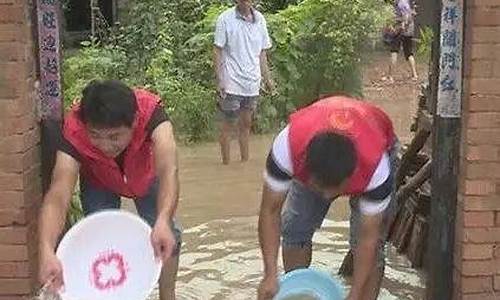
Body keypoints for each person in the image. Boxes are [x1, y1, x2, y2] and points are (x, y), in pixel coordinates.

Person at [38, 80, 182, 300]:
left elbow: (168, 170)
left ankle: (167, 294)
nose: (105, 146)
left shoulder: (151, 112)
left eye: (114, 137)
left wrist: (163, 219)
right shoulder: (74, 130)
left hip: (145, 175)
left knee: (167, 234)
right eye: (95, 135)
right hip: (99, 180)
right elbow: (58, 195)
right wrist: (46, 249)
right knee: (98, 240)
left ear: (134, 121)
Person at [257, 95, 399, 300]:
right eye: (320, 189)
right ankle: (297, 290)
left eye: (334, 191)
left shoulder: (376, 170)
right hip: (313, 144)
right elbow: (270, 211)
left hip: (375, 140)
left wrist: (355, 294)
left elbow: (367, 238)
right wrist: (269, 274)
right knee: (295, 228)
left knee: (372, 246)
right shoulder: (286, 147)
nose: (327, 197)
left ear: (351, 176)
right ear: (305, 168)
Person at [213, 0, 275, 165]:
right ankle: (226, 165)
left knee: (246, 124)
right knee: (229, 123)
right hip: (231, 80)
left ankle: (244, 163)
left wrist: (267, 79)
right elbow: (218, 50)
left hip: (252, 83)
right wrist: (220, 80)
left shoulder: (260, 19)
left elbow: (262, 53)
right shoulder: (225, 19)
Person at [387, 0, 418, 82]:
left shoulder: (401, 3)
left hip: (401, 30)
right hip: (409, 30)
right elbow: (412, 14)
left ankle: (390, 77)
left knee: (394, 51)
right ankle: (414, 74)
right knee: (409, 52)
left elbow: (406, 17)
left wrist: (400, 27)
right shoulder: (406, 2)